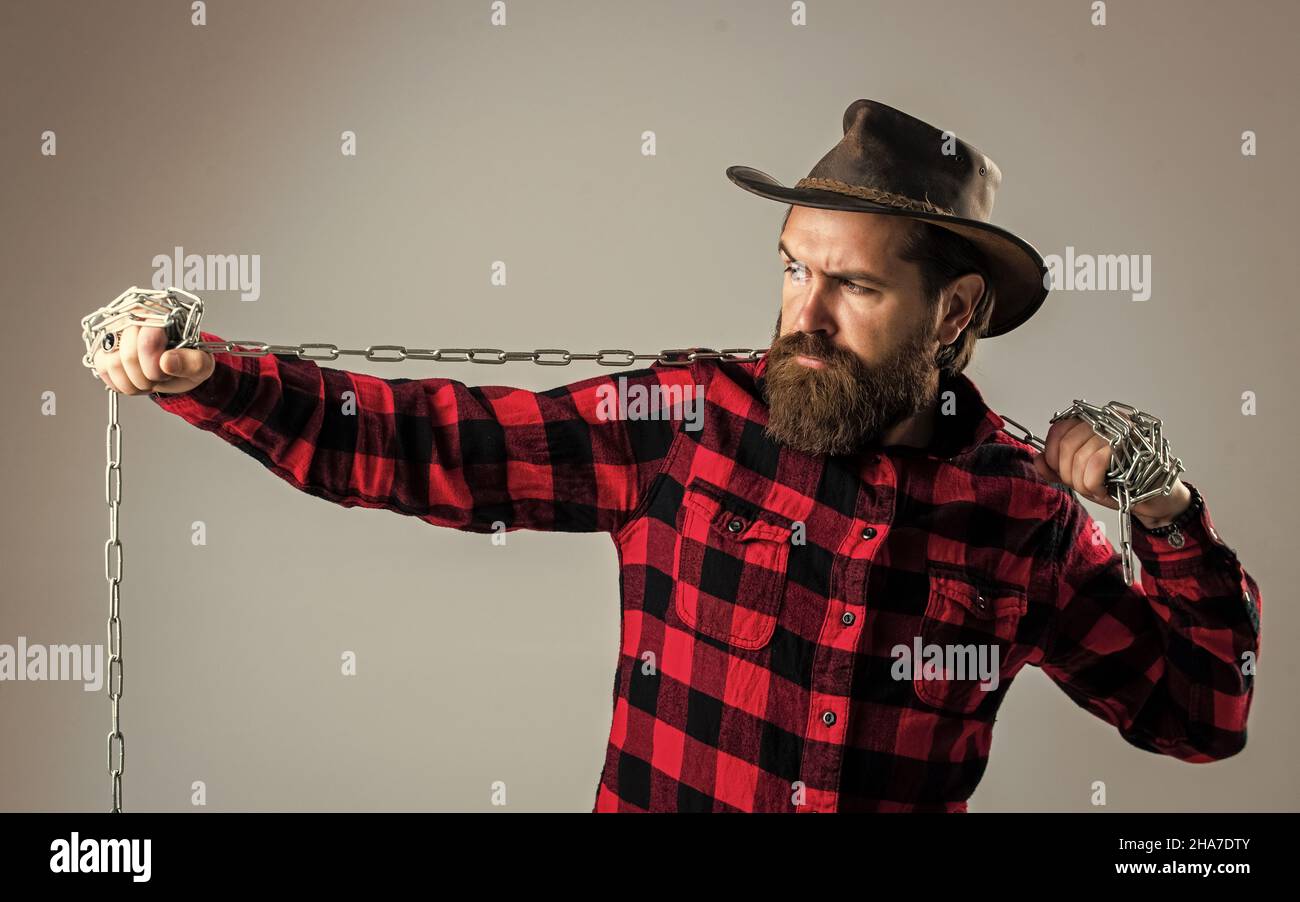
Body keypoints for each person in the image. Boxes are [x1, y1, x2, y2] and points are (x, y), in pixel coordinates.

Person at [87, 99, 1261, 813]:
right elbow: (432, 445)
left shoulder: (1020, 514)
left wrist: (1155, 504)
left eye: (850, 283)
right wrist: (216, 377)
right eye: (795, 265)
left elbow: (1203, 711)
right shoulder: (688, 419)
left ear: (952, 314)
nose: (802, 313)